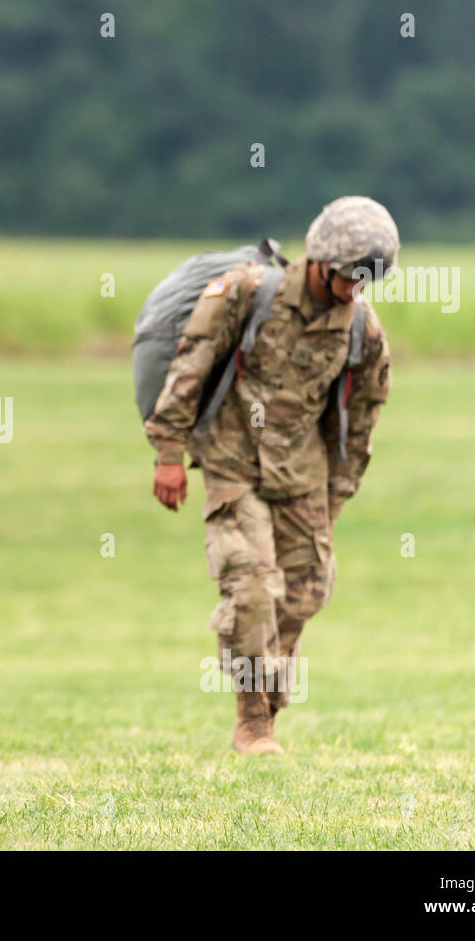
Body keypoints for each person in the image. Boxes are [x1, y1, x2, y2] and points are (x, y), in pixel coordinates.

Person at [144, 196, 396, 755]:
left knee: (304, 596)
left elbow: (366, 412)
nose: (356, 289)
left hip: (304, 477)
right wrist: (168, 451)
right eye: (351, 277)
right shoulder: (247, 294)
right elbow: (192, 362)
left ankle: (269, 706)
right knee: (253, 587)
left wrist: (339, 491)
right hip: (234, 465)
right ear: (322, 261)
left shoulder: (361, 328)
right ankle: (252, 723)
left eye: (366, 281)